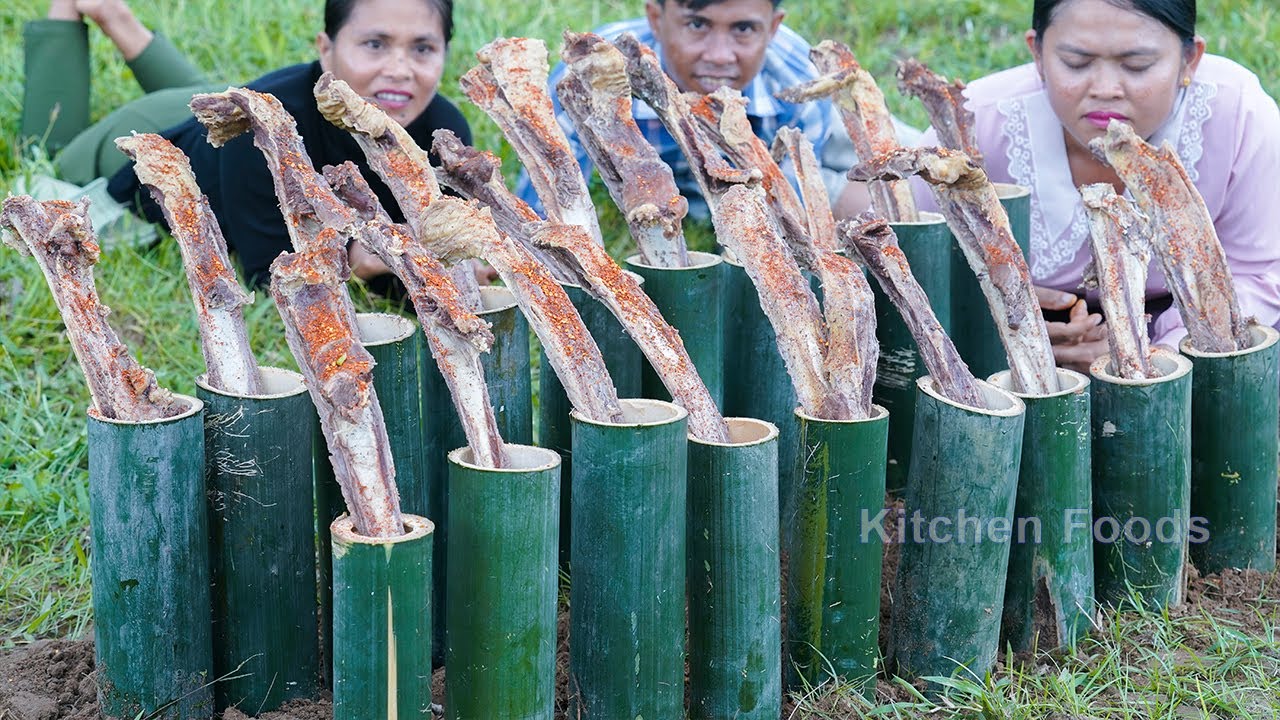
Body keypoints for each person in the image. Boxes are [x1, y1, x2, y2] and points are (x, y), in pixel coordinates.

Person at [871, 0, 1280, 371]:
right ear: (1037, 54)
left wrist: (1157, 355)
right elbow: (913, 257)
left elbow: (1258, 275)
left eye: (1137, 65)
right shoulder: (975, 125)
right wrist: (1007, 325)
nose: (1104, 88)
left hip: (1186, 338)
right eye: (1076, 62)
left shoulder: (1236, 113)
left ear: (1190, 60)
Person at [21, 0, 472, 293]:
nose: (400, 69)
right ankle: (79, 9)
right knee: (40, 157)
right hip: (148, 141)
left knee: (219, 102)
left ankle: (117, 19)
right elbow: (265, 273)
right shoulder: (258, 133)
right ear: (325, 49)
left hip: (223, 109)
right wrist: (355, 262)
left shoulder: (443, 132)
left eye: (423, 49)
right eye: (375, 44)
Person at [517, 0, 914, 220]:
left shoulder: (795, 77)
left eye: (743, 29)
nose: (720, 56)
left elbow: (791, 197)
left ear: (772, 28)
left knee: (907, 185)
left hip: (794, 132)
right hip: (701, 165)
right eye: (697, 25)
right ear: (656, 18)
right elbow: (551, 181)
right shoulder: (594, 74)